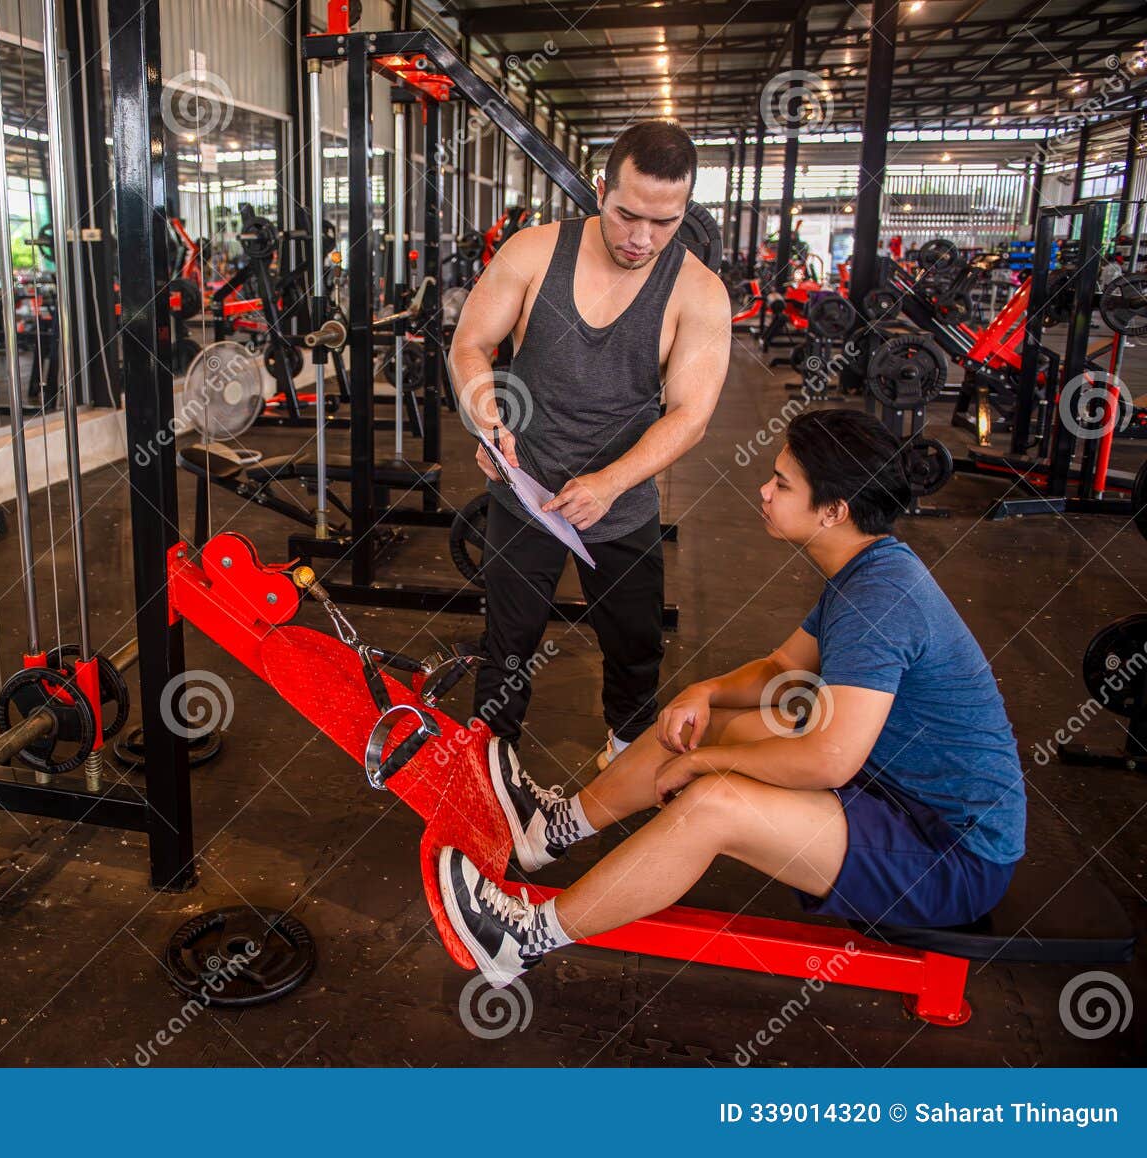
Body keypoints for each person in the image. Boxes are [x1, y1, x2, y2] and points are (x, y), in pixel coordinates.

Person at [438, 408, 1027, 989]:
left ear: (834, 510)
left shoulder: (879, 598)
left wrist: (702, 764)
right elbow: (782, 669)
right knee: (709, 722)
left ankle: (519, 941)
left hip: (949, 857)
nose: (764, 491)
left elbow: (831, 760)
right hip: (893, 796)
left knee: (713, 802)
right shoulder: (869, 568)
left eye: (782, 484)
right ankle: (548, 834)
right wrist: (705, 692)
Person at [448, 120, 731, 772]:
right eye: (628, 214)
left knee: (634, 642)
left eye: (664, 222)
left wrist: (610, 482)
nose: (642, 238)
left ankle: (629, 748)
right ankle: (491, 766)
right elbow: (470, 344)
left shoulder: (698, 291)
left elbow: (691, 414)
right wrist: (486, 419)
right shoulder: (533, 252)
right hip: (525, 489)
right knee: (508, 642)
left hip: (620, 503)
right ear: (601, 190)